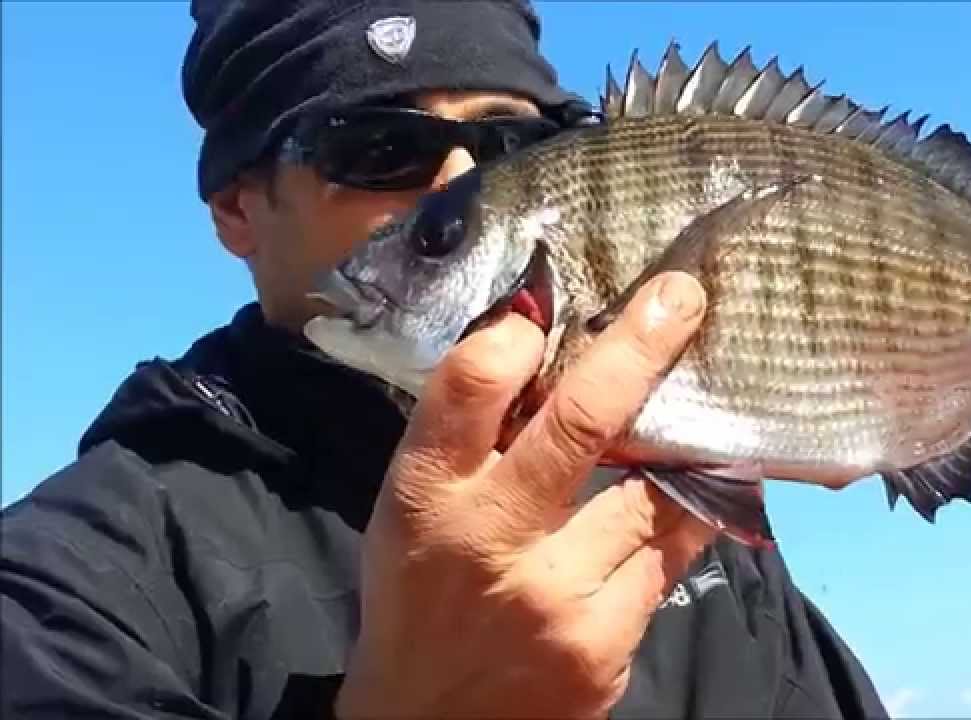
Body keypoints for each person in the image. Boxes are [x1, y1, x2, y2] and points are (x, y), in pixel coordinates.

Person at [0, 1, 889, 718]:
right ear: (238, 210)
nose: (461, 184)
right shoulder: (67, 593)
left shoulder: (670, 497)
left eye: (516, 149)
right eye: (381, 148)